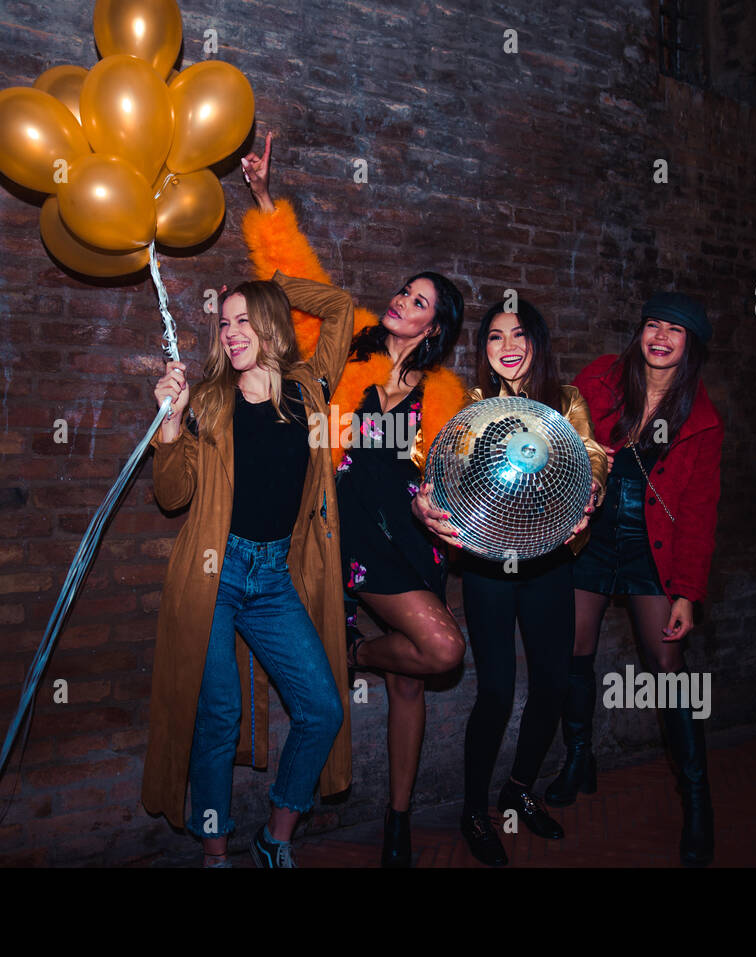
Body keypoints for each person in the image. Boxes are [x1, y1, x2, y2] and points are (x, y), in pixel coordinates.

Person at [240, 132, 470, 867]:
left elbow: (454, 476)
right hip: (346, 536)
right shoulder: (355, 347)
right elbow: (294, 279)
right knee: (442, 647)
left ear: (434, 328)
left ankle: (398, 819)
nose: (403, 300)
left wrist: (452, 517)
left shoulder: (443, 393)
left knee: (414, 684)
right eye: (405, 291)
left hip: (412, 540)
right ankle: (355, 651)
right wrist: (264, 198)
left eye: (420, 301)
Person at [140, 270, 357, 868]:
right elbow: (172, 495)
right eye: (225, 323)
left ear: (269, 324)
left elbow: (339, 307)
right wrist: (171, 422)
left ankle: (276, 837)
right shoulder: (209, 398)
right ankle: (215, 854)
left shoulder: (309, 390)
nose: (231, 334)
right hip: (215, 574)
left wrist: (274, 285)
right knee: (219, 718)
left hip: (273, 579)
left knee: (322, 709)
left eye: (244, 320)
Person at [410, 299, 609, 866]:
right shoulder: (467, 408)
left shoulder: (564, 401)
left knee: (551, 684)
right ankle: (474, 810)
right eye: (495, 337)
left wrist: (590, 490)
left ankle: (519, 788)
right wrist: (425, 504)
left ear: (536, 342)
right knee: (496, 692)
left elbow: (591, 454)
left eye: (518, 334)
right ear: (485, 351)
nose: (507, 345)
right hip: (488, 566)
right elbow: (434, 467)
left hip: (549, 563)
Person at [548, 292, 723, 866]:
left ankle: (696, 799)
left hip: (653, 552)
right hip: (591, 541)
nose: (660, 337)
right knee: (574, 651)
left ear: (690, 344)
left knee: (668, 670)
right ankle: (579, 756)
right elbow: (560, 447)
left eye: (675, 329)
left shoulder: (700, 417)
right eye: (653, 324)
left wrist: (688, 595)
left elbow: (699, 511)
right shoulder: (600, 379)